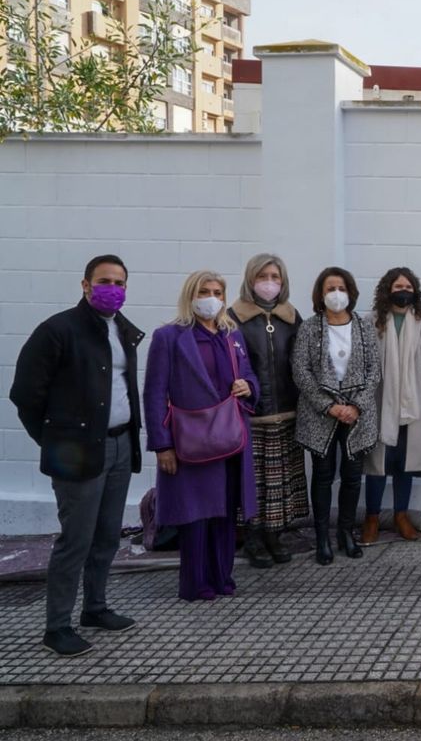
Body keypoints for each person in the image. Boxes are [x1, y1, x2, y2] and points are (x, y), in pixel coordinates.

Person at [9, 255, 143, 656]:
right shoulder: (58, 330)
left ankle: (95, 608)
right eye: (104, 280)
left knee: (107, 536)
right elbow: (25, 395)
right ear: (85, 284)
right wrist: (55, 441)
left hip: (120, 445)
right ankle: (57, 626)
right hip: (78, 452)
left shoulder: (121, 330)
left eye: (119, 282)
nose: (112, 288)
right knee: (76, 540)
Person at [143, 271, 259, 602]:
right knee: (195, 513)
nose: (211, 298)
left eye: (218, 292)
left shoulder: (231, 335)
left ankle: (223, 577)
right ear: (190, 296)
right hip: (189, 439)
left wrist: (248, 386)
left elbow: (249, 374)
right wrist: (162, 444)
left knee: (224, 510)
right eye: (204, 291)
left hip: (230, 436)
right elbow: (154, 393)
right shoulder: (169, 337)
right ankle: (195, 584)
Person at [292, 267, 380, 564]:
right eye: (330, 288)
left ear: (351, 292)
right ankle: (322, 539)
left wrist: (356, 406)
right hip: (321, 414)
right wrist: (328, 406)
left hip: (356, 415)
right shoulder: (309, 327)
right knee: (323, 475)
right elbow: (300, 371)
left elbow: (373, 371)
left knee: (353, 477)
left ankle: (345, 533)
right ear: (320, 294)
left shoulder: (365, 326)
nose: (336, 294)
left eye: (341, 287)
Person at [227, 254, 306, 568]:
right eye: (263, 276)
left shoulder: (291, 317)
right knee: (253, 480)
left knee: (280, 479)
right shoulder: (233, 318)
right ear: (250, 279)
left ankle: (275, 533)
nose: (269, 283)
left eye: (275, 276)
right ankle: (253, 536)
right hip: (251, 413)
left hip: (287, 411)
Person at [362, 267, 421, 544]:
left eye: (408, 286)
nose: (403, 290)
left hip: (413, 404)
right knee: (378, 464)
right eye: (398, 286)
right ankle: (371, 518)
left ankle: (401, 516)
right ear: (387, 289)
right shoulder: (371, 321)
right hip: (380, 402)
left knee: (404, 464)